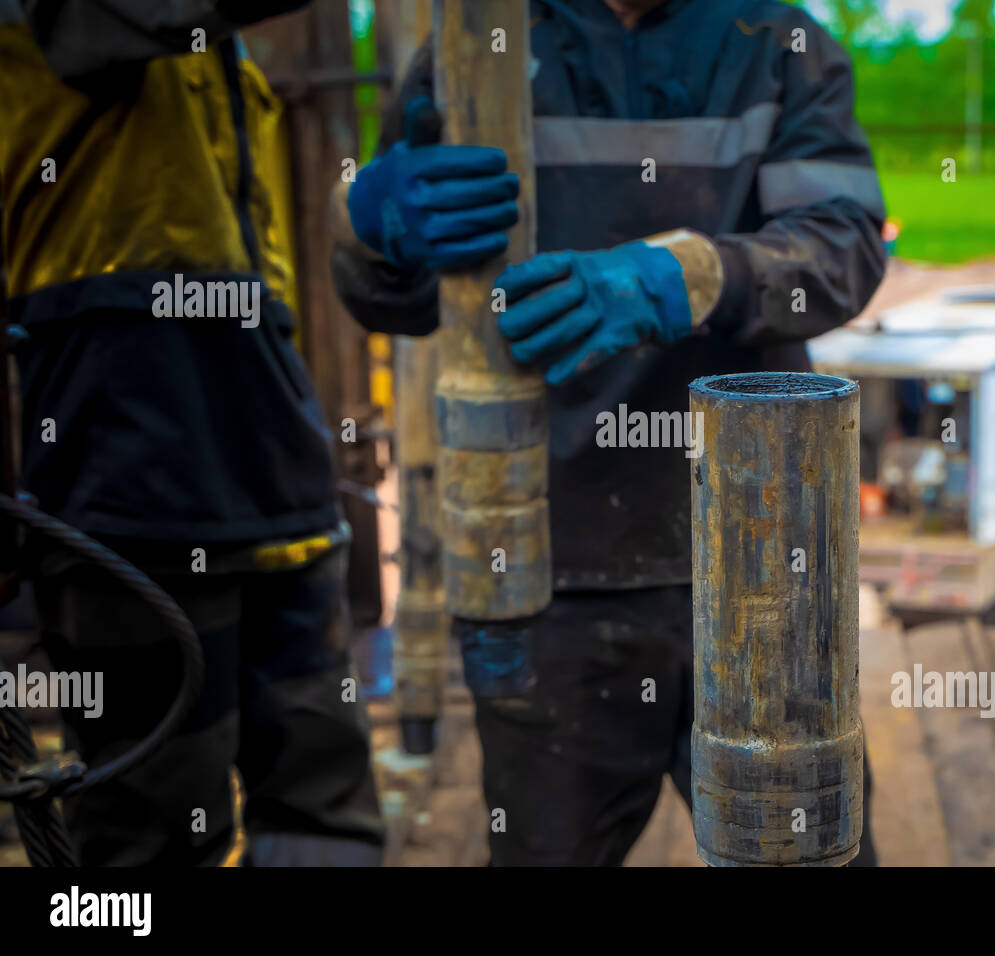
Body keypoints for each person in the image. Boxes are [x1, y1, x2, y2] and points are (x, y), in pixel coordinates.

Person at [332, 0, 887, 865]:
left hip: (761, 540)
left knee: (805, 846)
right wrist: (371, 231)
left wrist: (684, 275)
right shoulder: (481, 43)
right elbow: (390, 301)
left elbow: (841, 247)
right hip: (548, 556)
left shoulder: (780, 42)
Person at [0, 1, 385, 865]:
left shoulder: (226, 65)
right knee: (150, 824)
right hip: (127, 464)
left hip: (272, 456)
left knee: (323, 802)